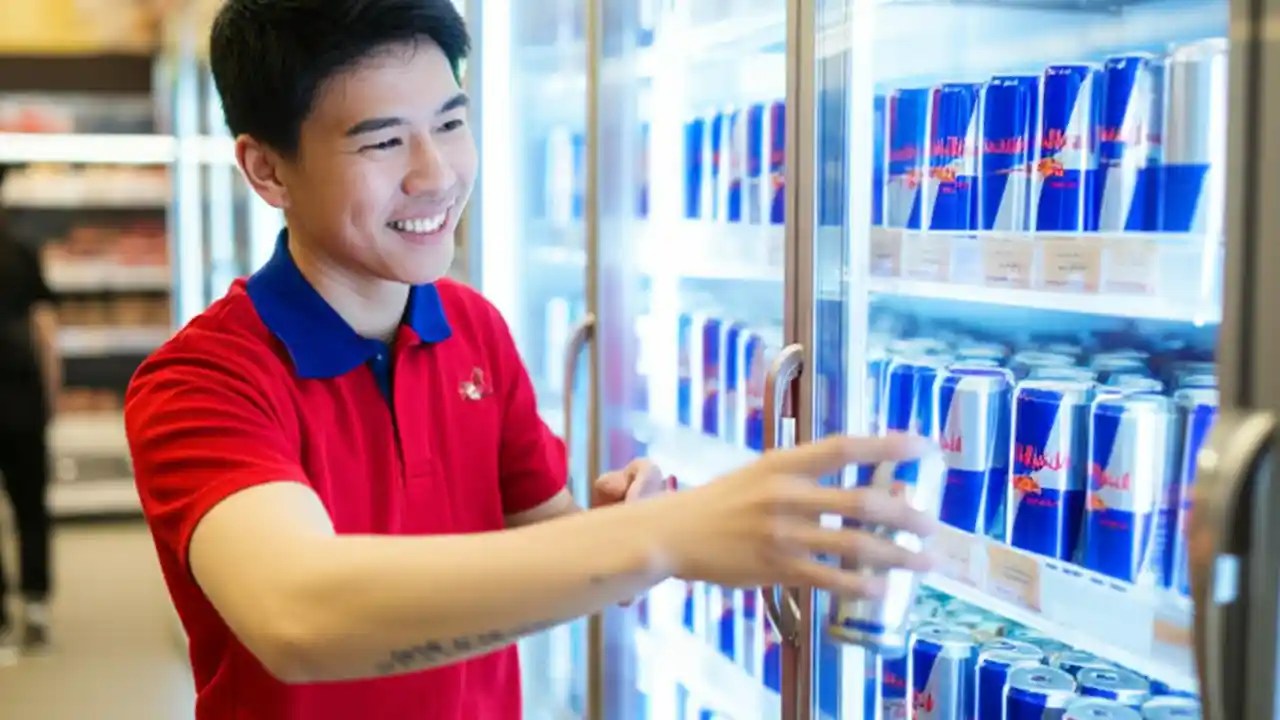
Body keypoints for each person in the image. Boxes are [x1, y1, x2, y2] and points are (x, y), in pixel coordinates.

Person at [123, 1, 937, 718]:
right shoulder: (202, 384)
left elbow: (545, 544)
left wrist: (620, 530)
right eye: (381, 143)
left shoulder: (473, 331)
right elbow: (299, 619)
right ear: (267, 169)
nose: (436, 174)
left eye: (450, 123)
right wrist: (655, 540)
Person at [0, 164, 60, 654]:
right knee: (31, 506)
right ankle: (36, 604)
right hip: (21, 396)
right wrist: (52, 393)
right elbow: (44, 326)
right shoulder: (20, 251)